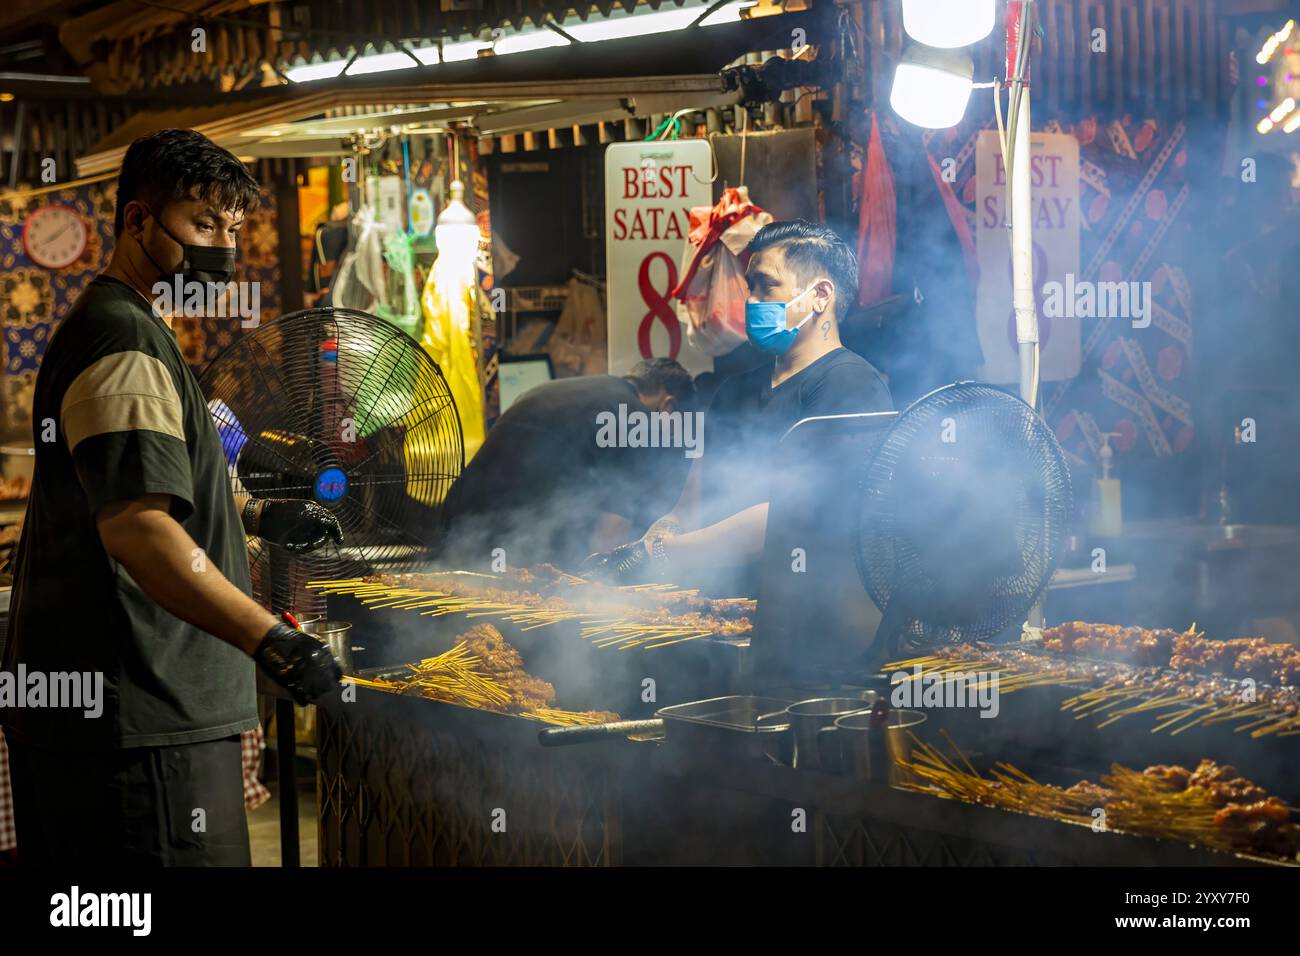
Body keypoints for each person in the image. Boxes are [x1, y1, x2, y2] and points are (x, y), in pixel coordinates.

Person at [1, 129, 344, 866]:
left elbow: (149, 485)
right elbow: (137, 529)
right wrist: (271, 639)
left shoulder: (130, 326)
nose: (221, 246)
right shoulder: (122, 341)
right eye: (200, 224)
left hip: (130, 714)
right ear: (138, 223)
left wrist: (257, 513)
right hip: (138, 717)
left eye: (232, 228)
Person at [587, 219, 892, 587]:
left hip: (802, 615)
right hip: (716, 612)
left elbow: (793, 517)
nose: (751, 301)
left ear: (820, 295)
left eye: (767, 286)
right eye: (750, 288)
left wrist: (665, 553)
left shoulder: (850, 385)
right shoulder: (734, 391)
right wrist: (648, 544)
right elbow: (690, 507)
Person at [435, 358, 695, 572]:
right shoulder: (636, 418)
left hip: (458, 527)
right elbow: (609, 537)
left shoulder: (554, 388)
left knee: (452, 630)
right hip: (514, 546)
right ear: (668, 406)